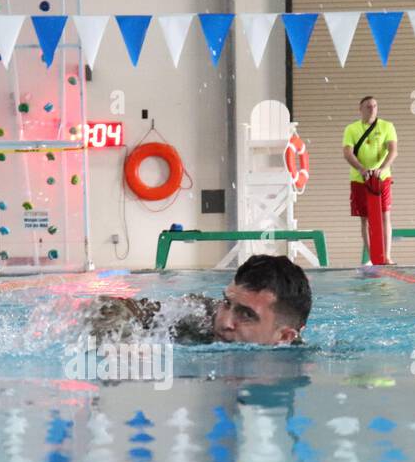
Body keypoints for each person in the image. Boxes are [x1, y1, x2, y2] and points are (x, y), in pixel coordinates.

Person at [87, 254, 311, 345]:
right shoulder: (198, 314)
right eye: (227, 303)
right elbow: (110, 305)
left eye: (246, 315)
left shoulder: (304, 360)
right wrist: (126, 346)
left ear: (284, 337)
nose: (224, 322)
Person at [342, 96, 397, 265]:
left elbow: (393, 151)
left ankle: (386, 255)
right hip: (359, 179)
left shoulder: (387, 126)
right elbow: (347, 153)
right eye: (368, 106)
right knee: (364, 218)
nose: (372, 109)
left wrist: (381, 168)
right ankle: (372, 256)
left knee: (385, 214)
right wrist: (361, 168)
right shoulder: (351, 129)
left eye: (374, 106)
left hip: (382, 178)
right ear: (361, 109)